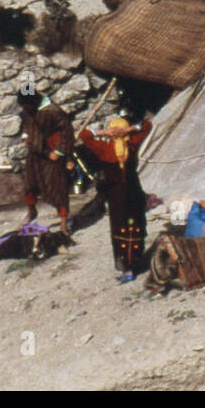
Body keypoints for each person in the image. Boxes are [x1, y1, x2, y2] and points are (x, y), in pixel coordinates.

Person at [78, 116, 152, 283]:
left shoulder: (104, 148)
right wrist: (130, 129)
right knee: (134, 226)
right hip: (134, 194)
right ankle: (136, 263)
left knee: (120, 229)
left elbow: (83, 134)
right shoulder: (132, 145)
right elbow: (147, 125)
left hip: (117, 198)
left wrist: (102, 132)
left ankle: (127, 268)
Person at [18, 91, 74, 235]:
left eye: (27, 105)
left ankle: (63, 223)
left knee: (57, 188)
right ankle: (31, 211)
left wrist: (60, 152)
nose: (26, 108)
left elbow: (67, 132)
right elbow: (26, 124)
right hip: (35, 152)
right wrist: (26, 137)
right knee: (29, 185)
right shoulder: (27, 110)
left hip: (52, 152)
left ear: (34, 101)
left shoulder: (53, 111)